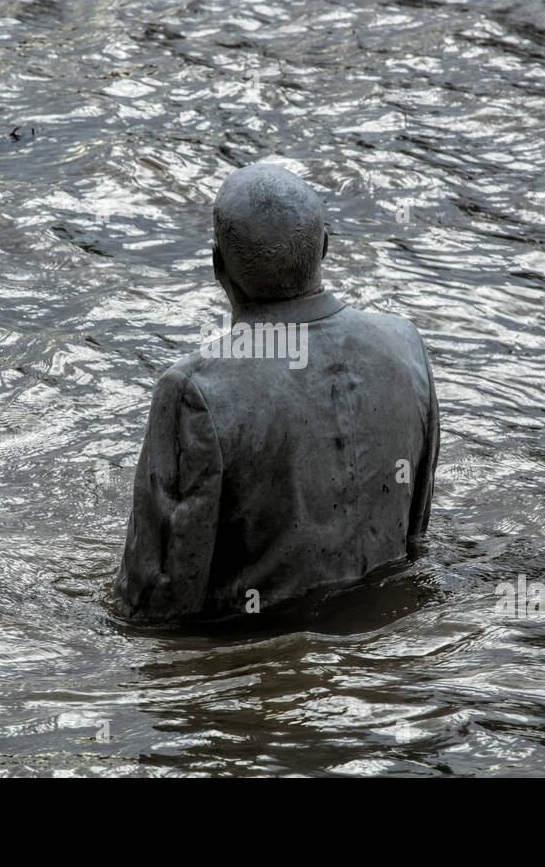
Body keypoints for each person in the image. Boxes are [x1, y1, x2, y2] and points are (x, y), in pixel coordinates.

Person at [113, 163, 439, 622]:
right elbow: (414, 537)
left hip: (252, 658)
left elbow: (154, 600)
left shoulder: (194, 390)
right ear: (324, 246)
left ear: (216, 265)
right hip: (381, 643)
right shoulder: (405, 345)